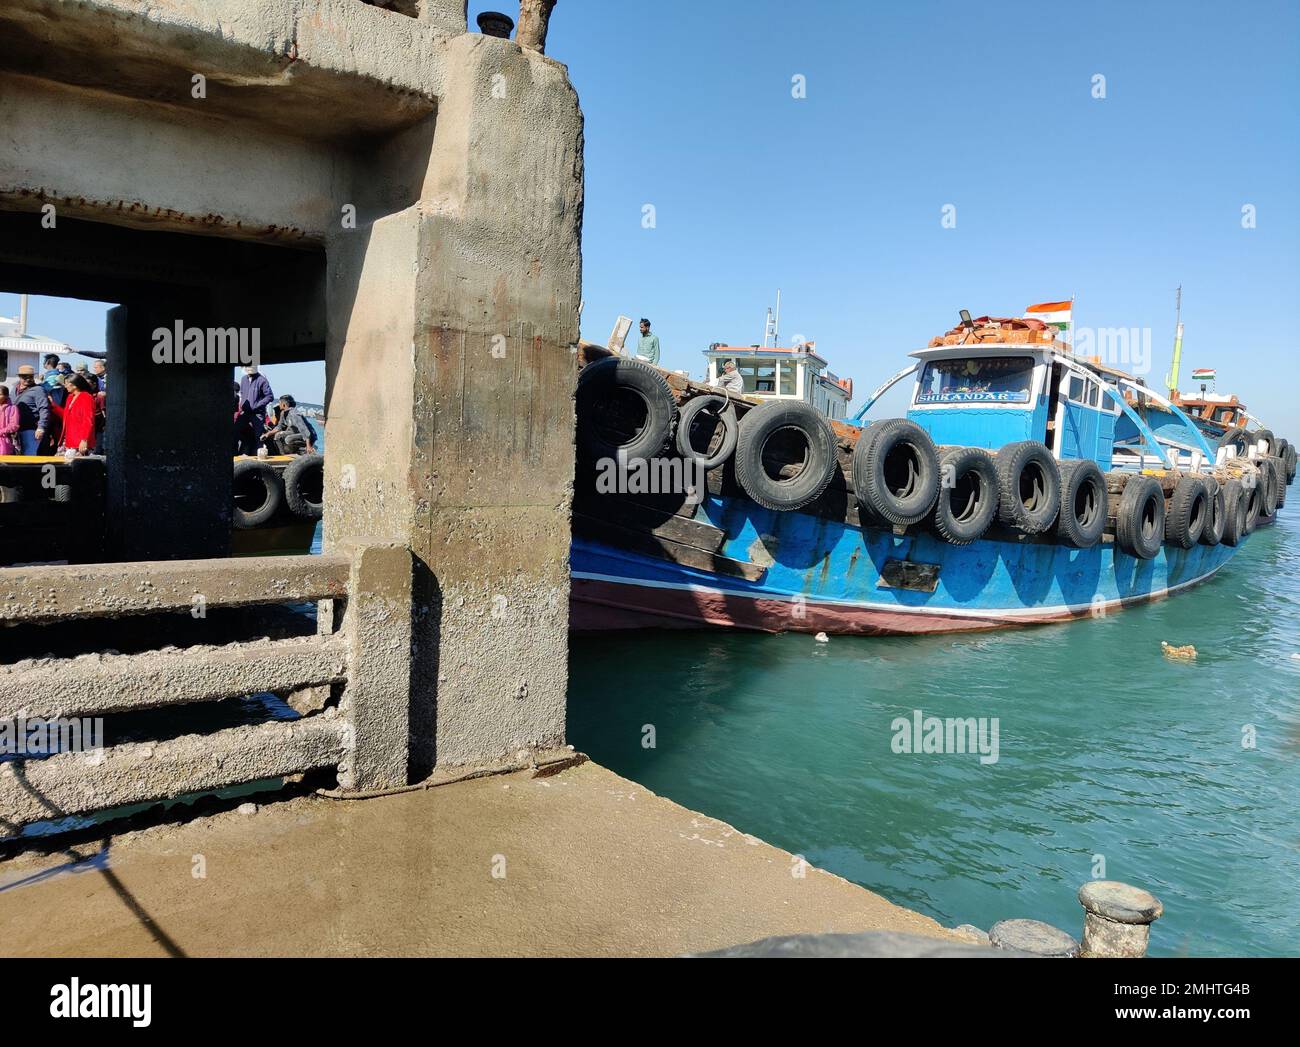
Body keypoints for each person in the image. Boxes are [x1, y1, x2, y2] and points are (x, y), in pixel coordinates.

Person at [51, 373, 96, 455]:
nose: (65, 386)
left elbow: (88, 420)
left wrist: (84, 440)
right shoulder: (70, 397)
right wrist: (52, 405)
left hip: (80, 443)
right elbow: (65, 415)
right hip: (68, 440)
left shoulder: (87, 397)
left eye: (67, 383)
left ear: (74, 385)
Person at [235, 364, 274, 455]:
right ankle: (234, 454)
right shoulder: (244, 379)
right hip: (245, 412)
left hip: (257, 413)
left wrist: (257, 405)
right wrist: (242, 406)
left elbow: (270, 396)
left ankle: (258, 457)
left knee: (258, 436)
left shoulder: (262, 380)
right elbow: (242, 393)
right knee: (235, 430)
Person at [13, 366, 50, 455]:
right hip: (22, 429)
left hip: (32, 429)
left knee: (29, 456)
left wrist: (41, 427)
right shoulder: (18, 390)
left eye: (30, 376)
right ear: (20, 377)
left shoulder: (38, 390)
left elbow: (44, 408)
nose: (28, 379)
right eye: (24, 377)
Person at [0, 385, 19, 456]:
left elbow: (14, 425)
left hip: (5, 441)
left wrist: (1, 431)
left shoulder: (13, 408)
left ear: (6, 395)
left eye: (0, 394)